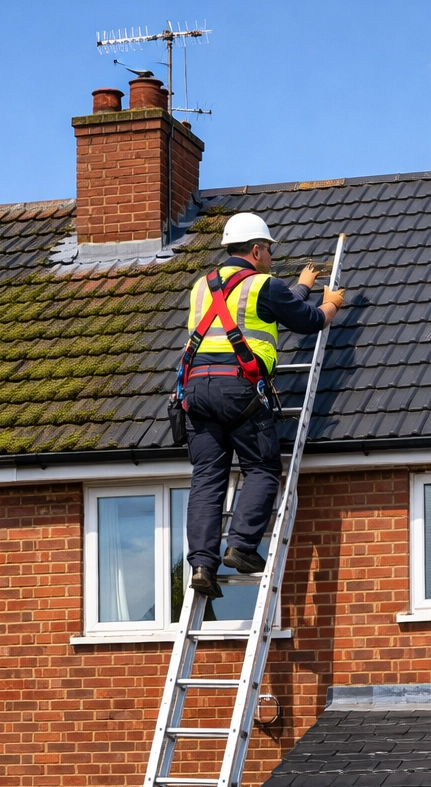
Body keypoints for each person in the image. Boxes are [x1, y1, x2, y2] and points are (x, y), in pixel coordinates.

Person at [180, 211, 345, 599]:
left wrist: (300, 286)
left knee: (206, 478)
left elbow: (264, 307)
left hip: (194, 392)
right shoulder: (263, 285)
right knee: (261, 468)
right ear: (256, 250)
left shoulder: (201, 286)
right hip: (237, 391)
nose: (270, 256)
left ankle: (203, 565)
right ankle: (241, 546)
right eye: (269, 250)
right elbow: (304, 321)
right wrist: (330, 305)